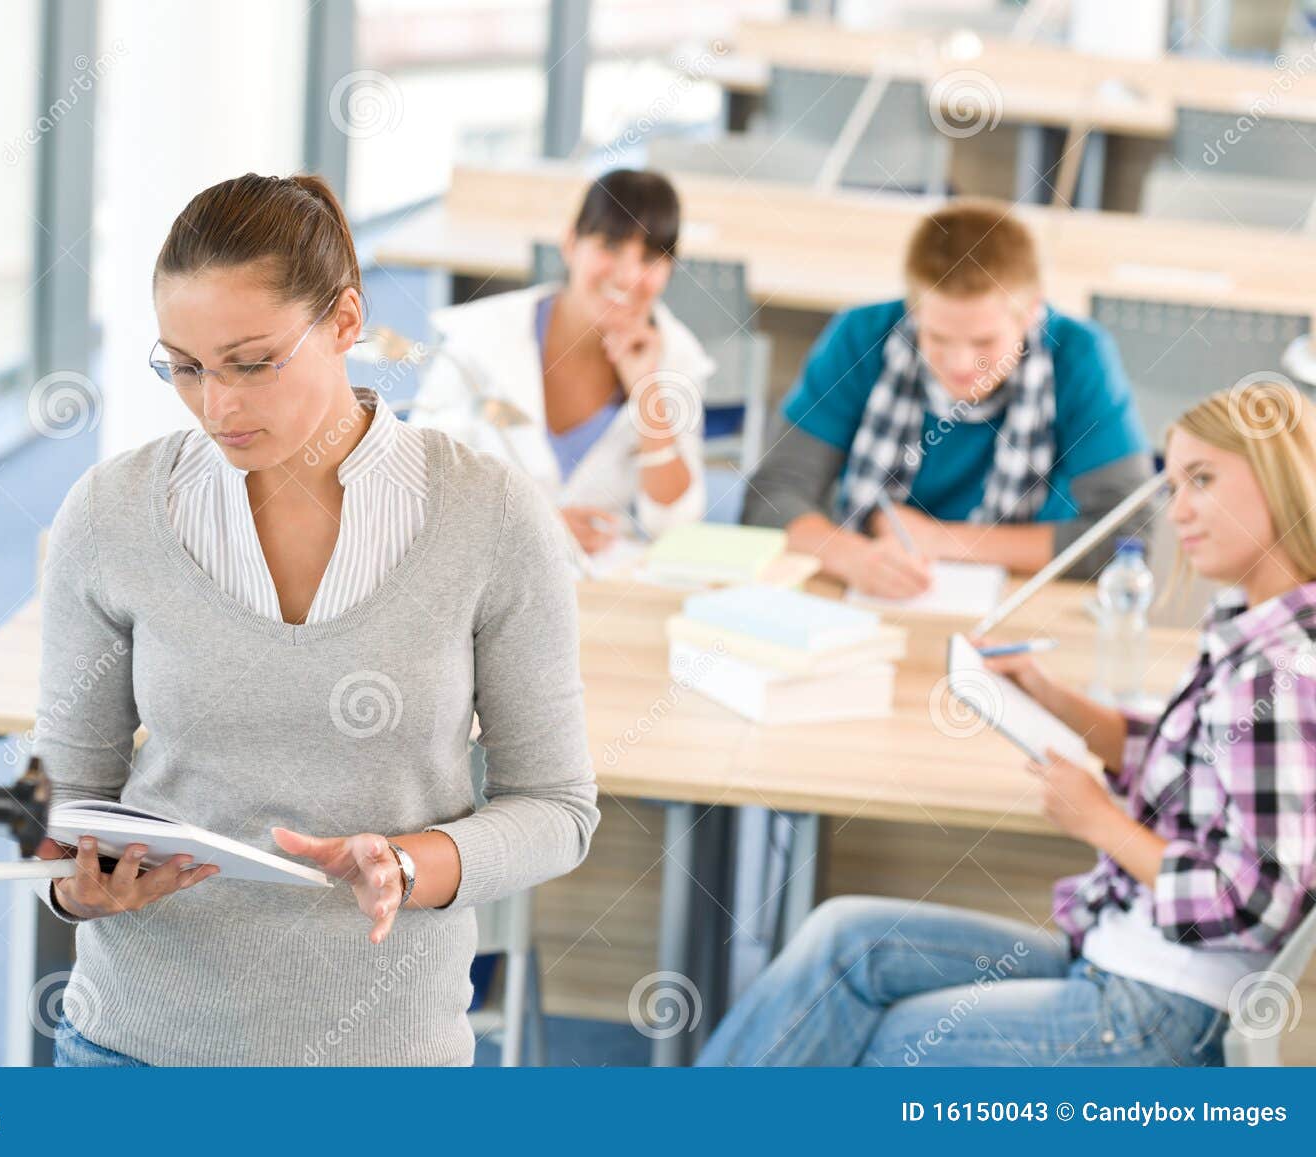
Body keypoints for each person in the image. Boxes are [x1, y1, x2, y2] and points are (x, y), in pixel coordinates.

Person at [29, 172, 599, 1066]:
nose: (217, 403)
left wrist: (411, 864)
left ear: (344, 321)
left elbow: (558, 810)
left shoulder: (488, 514)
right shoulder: (110, 513)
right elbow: (62, 810)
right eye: (184, 366)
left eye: (252, 362)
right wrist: (75, 889)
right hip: (136, 1050)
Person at [699, 379, 1316, 1067]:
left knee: (876, 1046)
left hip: (1161, 1010)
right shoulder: (1254, 631)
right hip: (1124, 956)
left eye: (1201, 479)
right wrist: (1058, 700)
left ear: (1278, 478)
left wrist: (1100, 822)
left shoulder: (1281, 674)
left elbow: (1260, 899)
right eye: (1173, 486)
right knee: (846, 941)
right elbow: (1202, 763)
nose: (1179, 512)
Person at [744, 200, 1152, 599]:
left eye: (984, 341)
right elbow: (771, 495)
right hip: (871, 588)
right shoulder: (860, 336)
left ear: (1030, 313)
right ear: (914, 311)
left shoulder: (1080, 356)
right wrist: (852, 558)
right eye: (937, 338)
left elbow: (1127, 533)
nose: (960, 364)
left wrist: (942, 541)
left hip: (1020, 597)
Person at [409, 168, 714, 555]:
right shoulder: (482, 336)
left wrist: (646, 390)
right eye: (611, 246)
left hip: (597, 587)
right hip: (487, 574)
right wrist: (536, 525)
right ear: (571, 244)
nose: (630, 275)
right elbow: (419, 490)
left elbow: (675, 525)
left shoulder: (676, 356)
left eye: (652, 257)